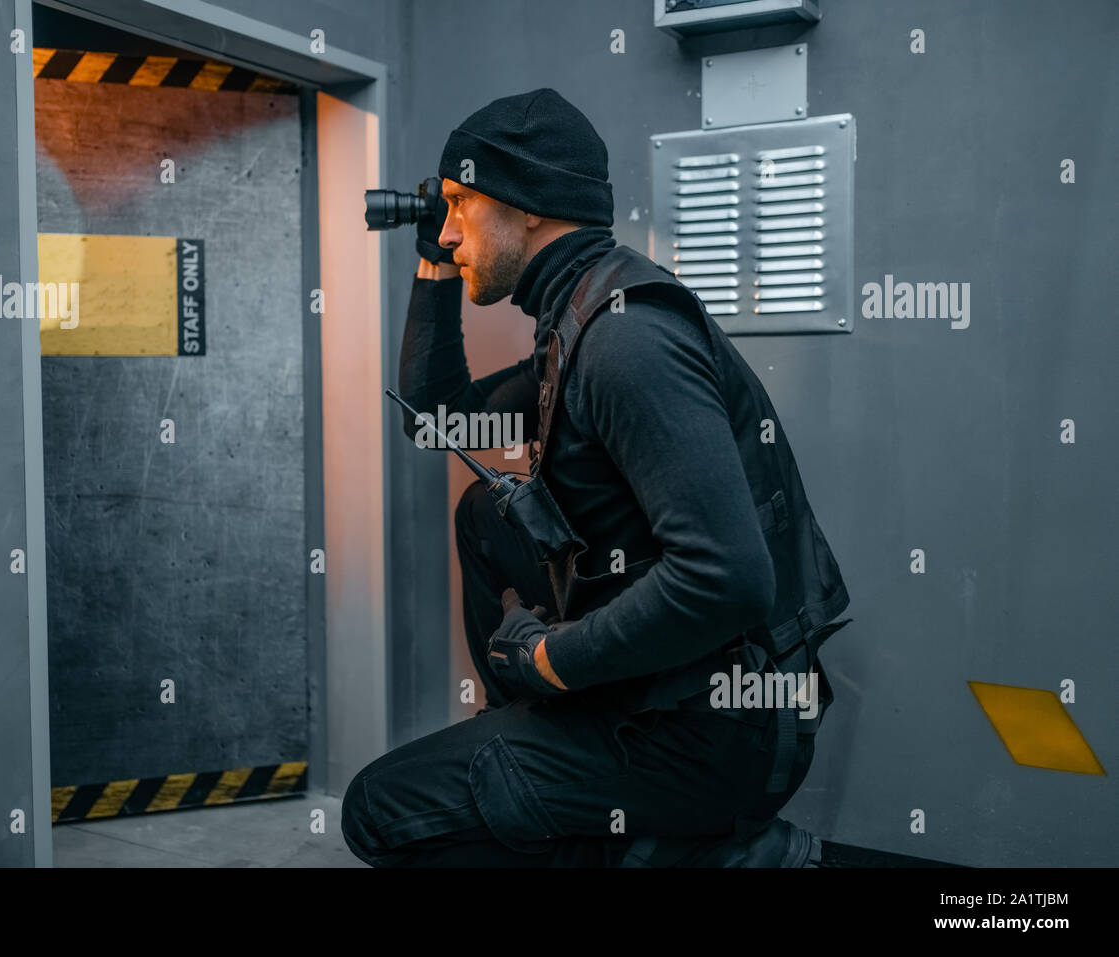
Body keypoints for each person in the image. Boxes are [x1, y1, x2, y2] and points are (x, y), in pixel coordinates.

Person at [340, 88, 852, 867]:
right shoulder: (576, 319)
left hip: (723, 731)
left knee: (379, 810)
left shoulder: (626, 341)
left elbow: (729, 578)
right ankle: (553, 762)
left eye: (458, 206)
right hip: (687, 693)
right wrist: (432, 262)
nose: (446, 231)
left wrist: (550, 660)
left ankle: (717, 852)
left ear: (528, 205)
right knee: (487, 514)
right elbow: (437, 417)